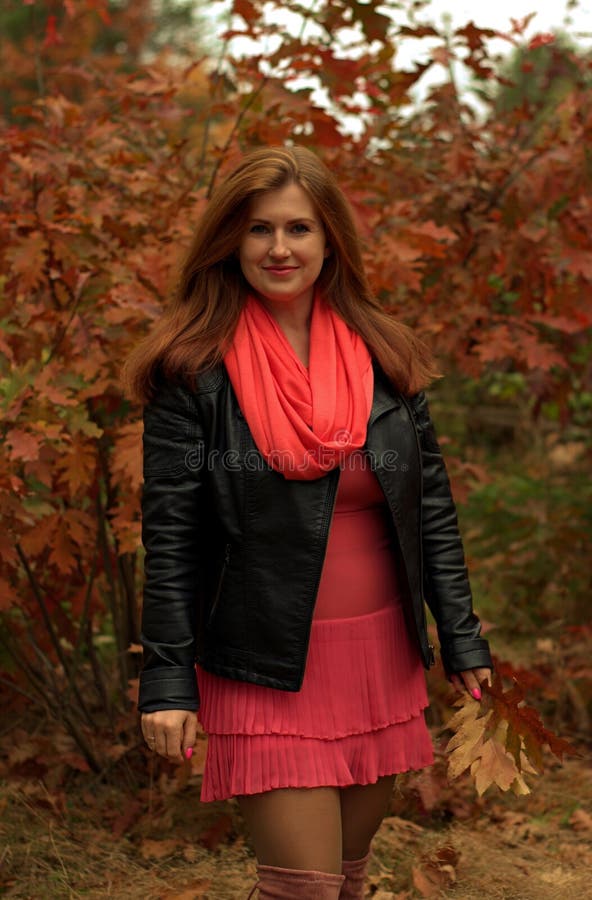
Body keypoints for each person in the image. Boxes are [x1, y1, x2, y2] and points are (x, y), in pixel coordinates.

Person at [124, 145, 492, 899]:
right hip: (265, 665)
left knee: (347, 882)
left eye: (299, 228)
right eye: (260, 229)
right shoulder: (192, 370)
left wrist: (461, 634)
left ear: (330, 241)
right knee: (305, 889)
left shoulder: (382, 354)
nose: (280, 248)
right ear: (231, 240)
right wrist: (165, 678)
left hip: (378, 660)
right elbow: (170, 538)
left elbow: (430, 509)